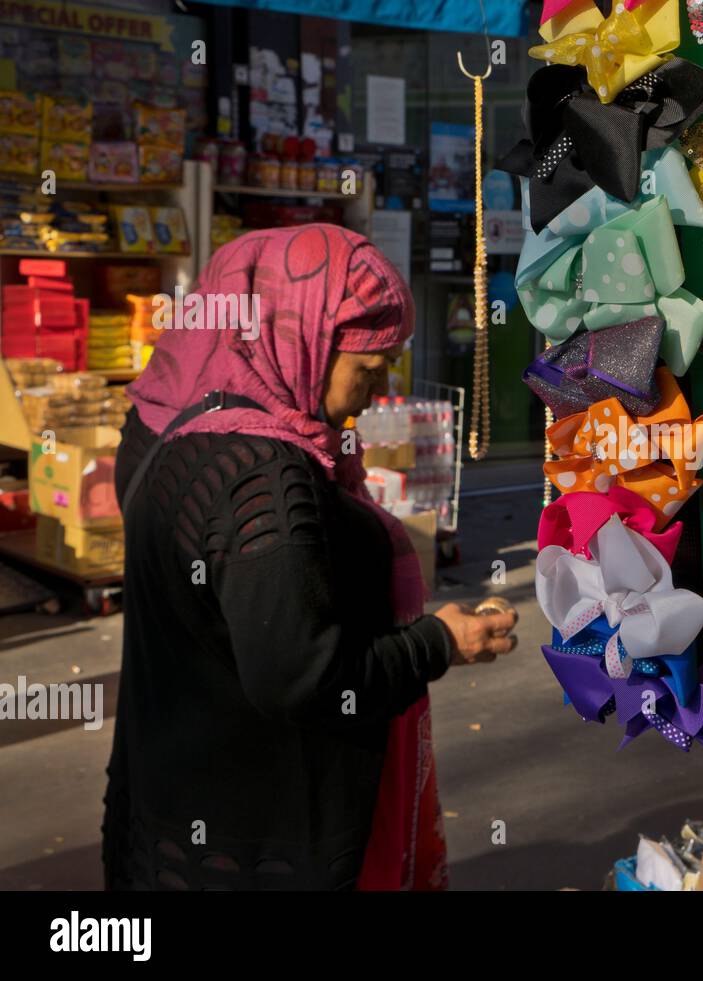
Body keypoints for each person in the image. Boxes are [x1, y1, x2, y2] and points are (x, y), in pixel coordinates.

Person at [103, 224, 516, 890]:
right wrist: (441, 641)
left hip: (161, 825)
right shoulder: (263, 478)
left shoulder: (162, 427)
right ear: (302, 340)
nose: (378, 390)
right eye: (369, 365)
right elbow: (306, 678)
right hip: (255, 849)